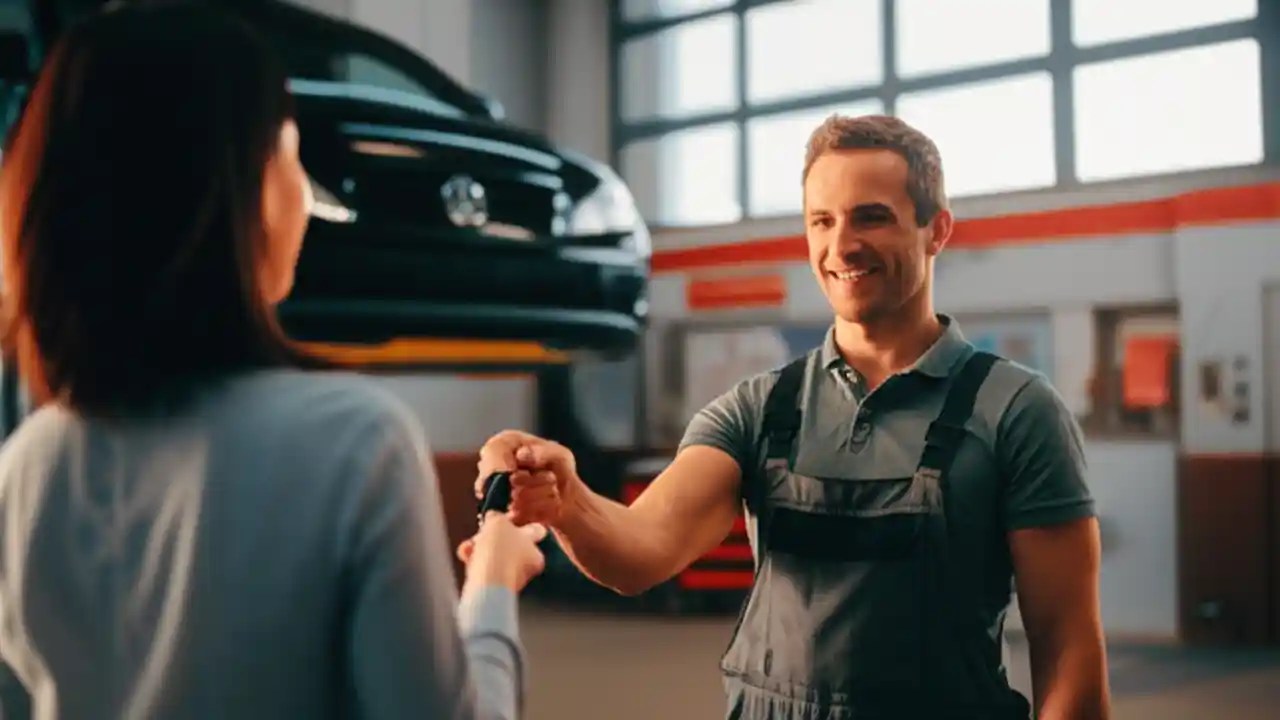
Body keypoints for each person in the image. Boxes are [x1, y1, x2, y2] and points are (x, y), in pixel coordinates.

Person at [0, 3, 543, 718]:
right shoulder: (353, 441)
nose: (306, 201)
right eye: (291, 158)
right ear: (235, 192)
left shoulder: (28, 465)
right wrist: (494, 586)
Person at [475, 114, 1112, 719]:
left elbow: (1070, 648)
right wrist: (566, 499)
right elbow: (642, 551)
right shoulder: (761, 408)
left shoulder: (1017, 412)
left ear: (937, 230)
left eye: (872, 218)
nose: (841, 246)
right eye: (822, 221)